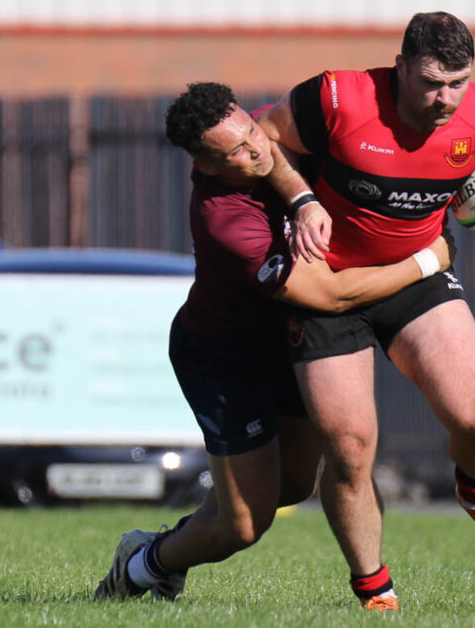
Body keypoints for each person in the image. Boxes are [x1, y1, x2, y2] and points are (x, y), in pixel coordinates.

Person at [94, 82, 454, 604]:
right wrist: (428, 260)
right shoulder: (227, 220)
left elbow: (290, 147)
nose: (256, 149)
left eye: (250, 132)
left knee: (293, 487)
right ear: (207, 165)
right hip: (226, 358)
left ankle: (189, 533)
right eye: (237, 152)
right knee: (242, 526)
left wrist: (304, 199)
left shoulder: (271, 131)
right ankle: (141, 565)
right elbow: (332, 296)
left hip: (288, 341)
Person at [258, 11, 475, 611]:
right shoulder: (337, 97)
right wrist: (303, 199)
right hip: (327, 284)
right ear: (401, 68)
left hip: (416, 273)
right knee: (349, 447)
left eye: (458, 82)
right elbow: (266, 137)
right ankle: (375, 591)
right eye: (431, 82)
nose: (446, 98)